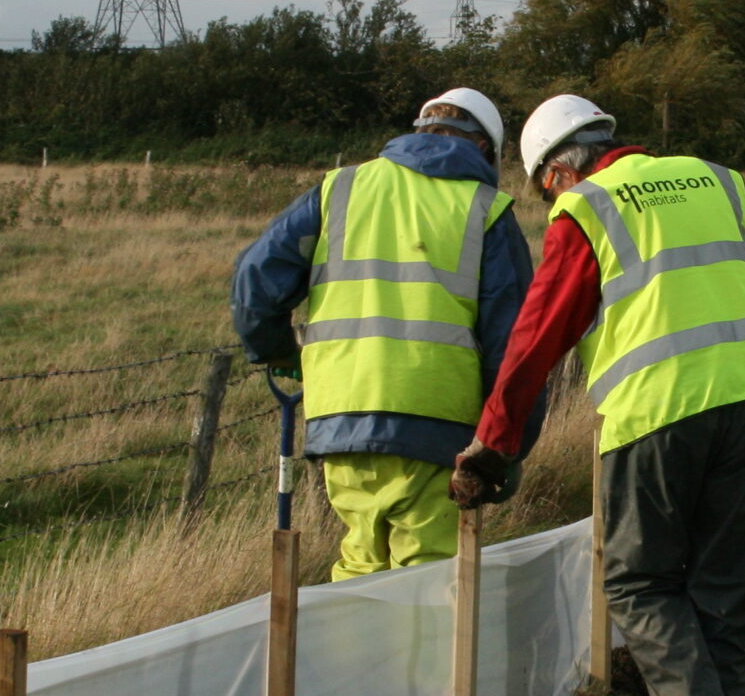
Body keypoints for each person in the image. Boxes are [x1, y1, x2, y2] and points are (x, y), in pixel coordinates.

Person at [449, 94, 745, 696]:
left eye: (544, 195)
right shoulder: (717, 180)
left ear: (555, 175)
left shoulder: (589, 208)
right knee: (725, 592)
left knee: (638, 582)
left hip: (659, 413)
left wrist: (492, 442)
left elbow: (536, 336)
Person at [231, 87, 539, 580]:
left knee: (361, 565)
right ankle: (423, 661)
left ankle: (353, 658)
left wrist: (277, 351)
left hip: (340, 417)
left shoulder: (339, 189)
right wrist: (506, 448)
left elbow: (256, 281)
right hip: (437, 424)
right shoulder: (486, 210)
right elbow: (517, 350)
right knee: (431, 580)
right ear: (485, 148)